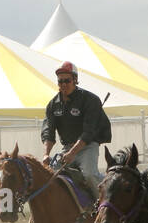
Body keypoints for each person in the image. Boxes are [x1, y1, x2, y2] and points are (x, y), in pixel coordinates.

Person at [41, 61, 110, 198]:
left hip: (88, 146)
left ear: (75, 80)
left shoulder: (90, 100)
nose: (64, 84)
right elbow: (49, 131)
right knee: (51, 177)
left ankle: (106, 205)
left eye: (67, 80)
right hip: (67, 149)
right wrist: (46, 154)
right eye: (60, 81)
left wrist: (73, 152)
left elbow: (89, 132)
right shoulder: (52, 105)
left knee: (90, 175)